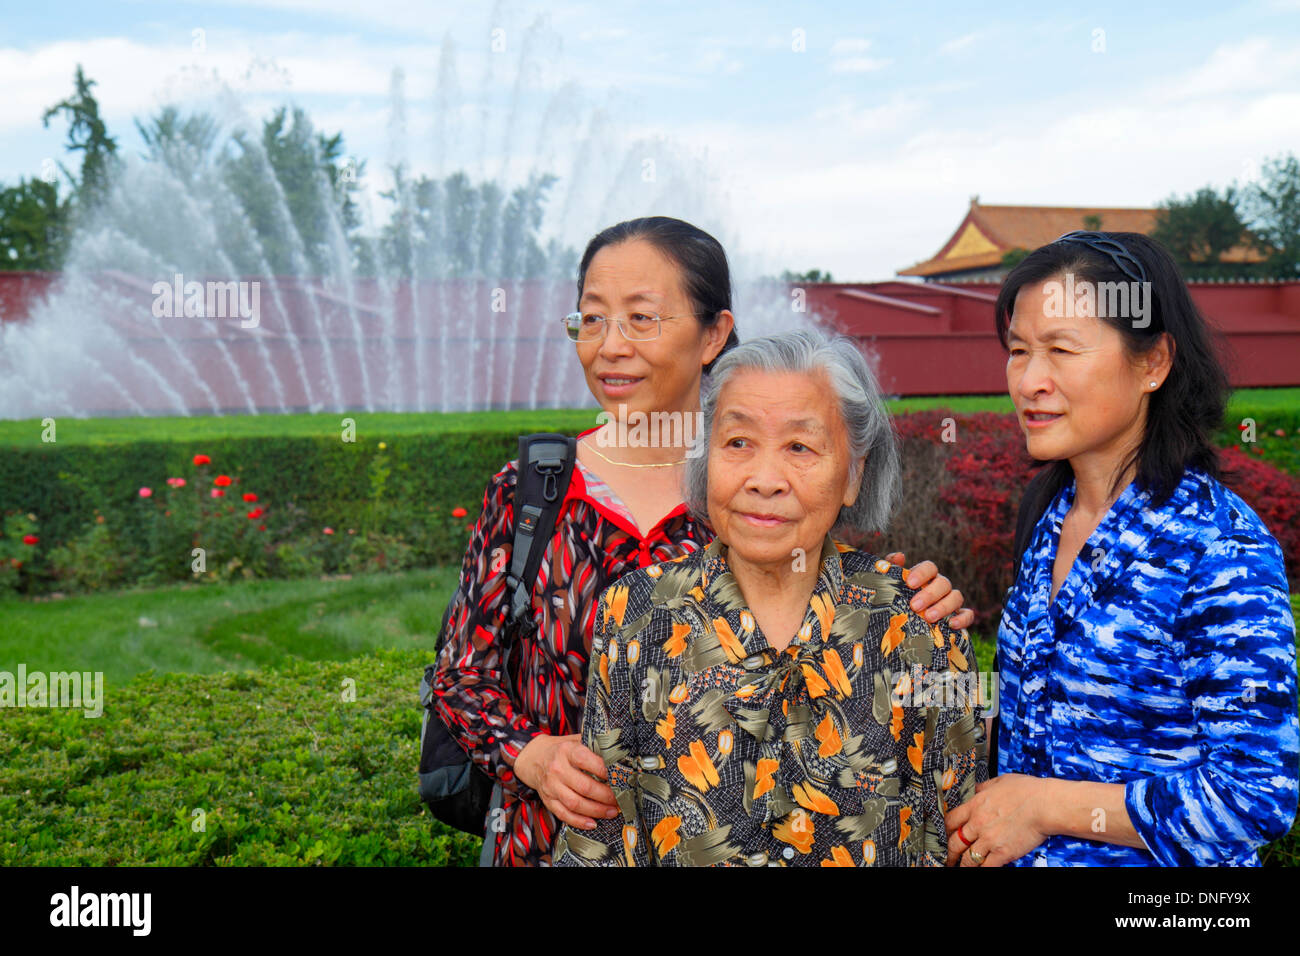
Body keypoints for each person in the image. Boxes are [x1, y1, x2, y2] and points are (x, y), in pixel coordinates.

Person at [431, 217, 974, 866]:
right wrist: (532, 754)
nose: (610, 347)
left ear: (714, 332)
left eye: (642, 319)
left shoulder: (756, 493)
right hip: (552, 840)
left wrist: (912, 606)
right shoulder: (533, 491)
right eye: (593, 319)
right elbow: (461, 670)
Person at [553, 329, 987, 866]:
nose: (764, 479)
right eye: (737, 443)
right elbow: (601, 836)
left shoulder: (922, 627)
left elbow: (962, 839)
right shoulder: (637, 613)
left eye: (800, 447)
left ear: (853, 473)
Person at [945, 231, 1298, 867]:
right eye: (1019, 350)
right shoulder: (1049, 516)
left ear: (1153, 363)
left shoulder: (1214, 546)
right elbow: (1040, 731)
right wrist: (906, 631)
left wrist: (1044, 807)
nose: (1030, 381)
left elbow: (1255, 794)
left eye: (1060, 350)